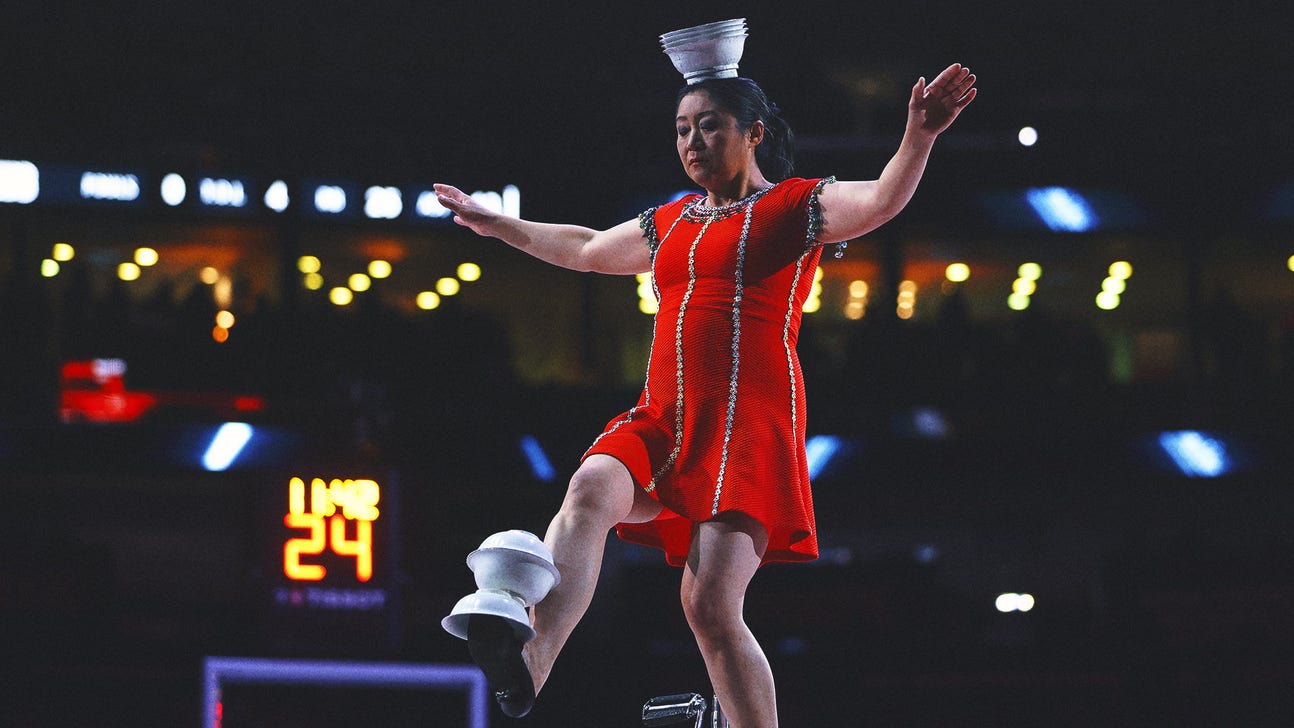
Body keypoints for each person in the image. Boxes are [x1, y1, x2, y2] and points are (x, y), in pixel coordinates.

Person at [435, 58, 976, 725]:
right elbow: (586, 248)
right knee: (589, 488)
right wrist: (498, 224)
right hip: (662, 416)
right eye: (682, 129)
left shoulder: (793, 206)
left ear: (753, 133)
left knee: (710, 609)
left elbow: (881, 200)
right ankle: (531, 661)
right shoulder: (671, 221)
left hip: (748, 422)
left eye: (710, 126)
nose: (692, 141)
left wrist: (919, 136)